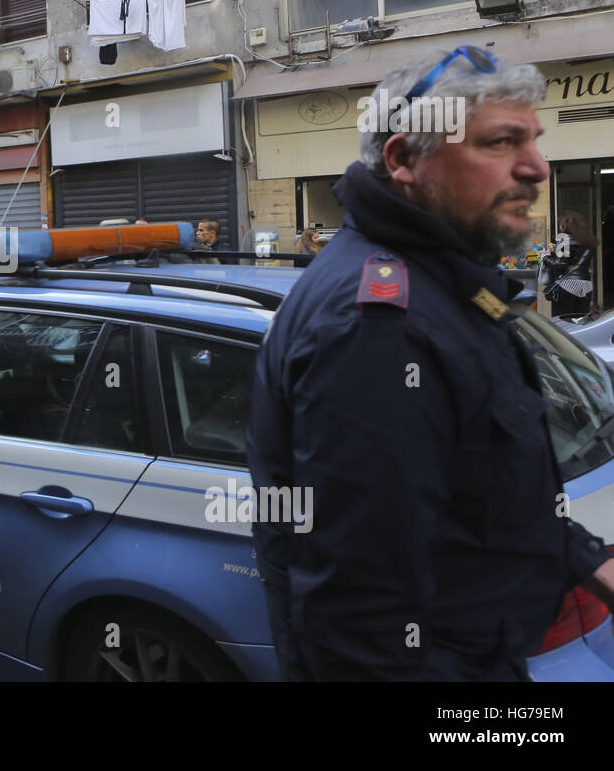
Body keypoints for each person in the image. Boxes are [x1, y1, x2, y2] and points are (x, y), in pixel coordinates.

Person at [246, 48, 614, 681]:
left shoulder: (442, 284)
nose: (536, 168)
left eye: (534, 141)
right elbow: (364, 622)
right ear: (404, 161)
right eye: (501, 143)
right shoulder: (378, 327)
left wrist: (586, 558)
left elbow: (483, 487)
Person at [542, 211, 596, 318]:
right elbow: (575, 259)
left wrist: (545, 257)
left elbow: (560, 266)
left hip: (566, 287)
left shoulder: (564, 239)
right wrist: (556, 251)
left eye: (560, 224)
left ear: (565, 225)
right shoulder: (588, 240)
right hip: (585, 286)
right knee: (581, 321)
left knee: (563, 324)